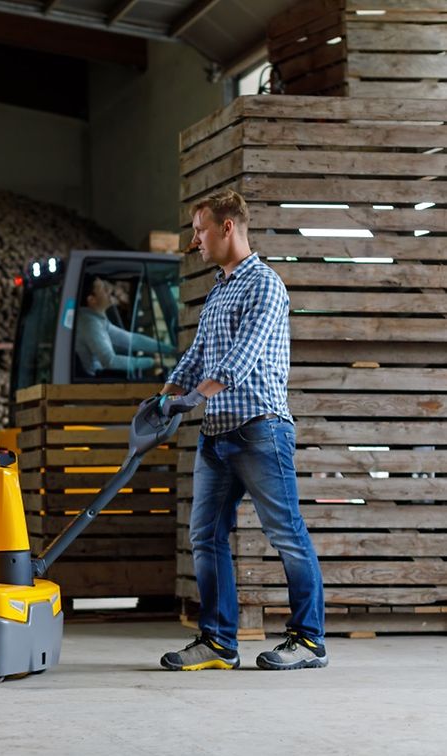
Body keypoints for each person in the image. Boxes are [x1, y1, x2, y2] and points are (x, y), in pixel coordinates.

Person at [154, 189, 327, 671]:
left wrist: (194, 397)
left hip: (259, 431)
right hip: (216, 435)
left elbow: (239, 360)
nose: (196, 239)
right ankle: (217, 642)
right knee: (205, 536)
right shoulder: (220, 288)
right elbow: (199, 354)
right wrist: (168, 394)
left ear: (227, 227)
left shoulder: (265, 286)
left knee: (286, 534)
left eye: (200, 229)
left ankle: (309, 640)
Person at [74, 276, 174, 376]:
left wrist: (170, 349)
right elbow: (110, 361)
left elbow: (131, 340)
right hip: (94, 381)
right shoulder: (90, 324)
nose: (110, 290)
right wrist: (152, 363)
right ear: (92, 300)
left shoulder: (95, 319)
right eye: (103, 289)